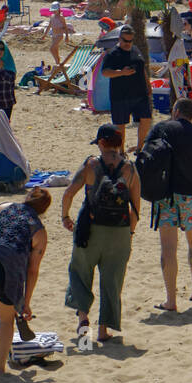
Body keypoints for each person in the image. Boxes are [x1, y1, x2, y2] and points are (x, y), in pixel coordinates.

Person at [60, 124, 139, 342]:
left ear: (101, 144)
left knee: (80, 273)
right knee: (112, 281)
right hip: (119, 232)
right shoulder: (130, 169)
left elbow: (69, 193)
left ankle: (83, 321)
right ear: (120, 143)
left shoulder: (91, 165)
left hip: (90, 230)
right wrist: (129, 234)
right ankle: (104, 330)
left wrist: (66, 217)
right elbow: (136, 210)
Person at [148, 98, 192, 312]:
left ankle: (170, 300)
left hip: (165, 195)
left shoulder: (161, 129)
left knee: (169, 248)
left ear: (176, 111)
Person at [0, 188, 51, 374]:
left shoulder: (4, 206)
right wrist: (25, 304)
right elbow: (32, 271)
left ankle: (3, 363)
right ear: (44, 210)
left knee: (2, 298)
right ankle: (0, 369)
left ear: (27, 198)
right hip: (4, 271)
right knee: (6, 321)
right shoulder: (39, 232)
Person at [101, 25, 152, 152]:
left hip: (140, 93)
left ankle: (140, 148)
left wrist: (148, 83)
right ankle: (121, 151)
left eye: (130, 41)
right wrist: (121, 73)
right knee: (120, 125)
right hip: (120, 95)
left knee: (146, 119)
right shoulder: (112, 54)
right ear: (119, 38)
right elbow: (105, 72)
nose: (127, 44)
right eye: (125, 41)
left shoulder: (135, 50)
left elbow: (142, 67)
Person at [45, 1, 69, 65]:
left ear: (59, 9)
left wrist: (67, 37)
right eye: (53, 10)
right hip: (54, 35)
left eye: (55, 10)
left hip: (59, 35)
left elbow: (65, 27)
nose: (54, 11)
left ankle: (57, 61)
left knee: (51, 49)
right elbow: (49, 26)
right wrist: (44, 35)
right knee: (55, 50)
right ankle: (58, 63)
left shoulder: (61, 18)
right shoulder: (52, 17)